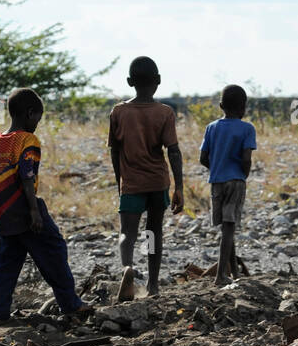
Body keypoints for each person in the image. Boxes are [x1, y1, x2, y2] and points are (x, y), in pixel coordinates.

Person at [0, 87, 87, 324]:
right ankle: (71, 304)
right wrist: (34, 211)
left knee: (3, 264)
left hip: (4, 214)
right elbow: (27, 176)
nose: (38, 122)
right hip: (28, 211)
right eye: (38, 117)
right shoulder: (28, 140)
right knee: (54, 252)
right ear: (29, 113)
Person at [108, 56, 184, 297]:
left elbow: (115, 151)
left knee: (127, 233)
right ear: (158, 81)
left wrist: (119, 180)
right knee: (153, 232)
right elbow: (173, 150)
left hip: (131, 183)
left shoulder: (119, 112)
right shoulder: (164, 112)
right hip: (157, 182)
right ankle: (152, 285)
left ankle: (127, 268)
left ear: (130, 81)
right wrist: (179, 187)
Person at [199, 84, 256, 286]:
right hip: (236, 181)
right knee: (229, 228)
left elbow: (203, 157)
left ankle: (234, 272)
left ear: (221, 105)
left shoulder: (211, 128)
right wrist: (244, 174)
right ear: (244, 108)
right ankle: (221, 275)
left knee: (226, 227)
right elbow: (246, 158)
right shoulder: (247, 129)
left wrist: (216, 167)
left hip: (216, 182)